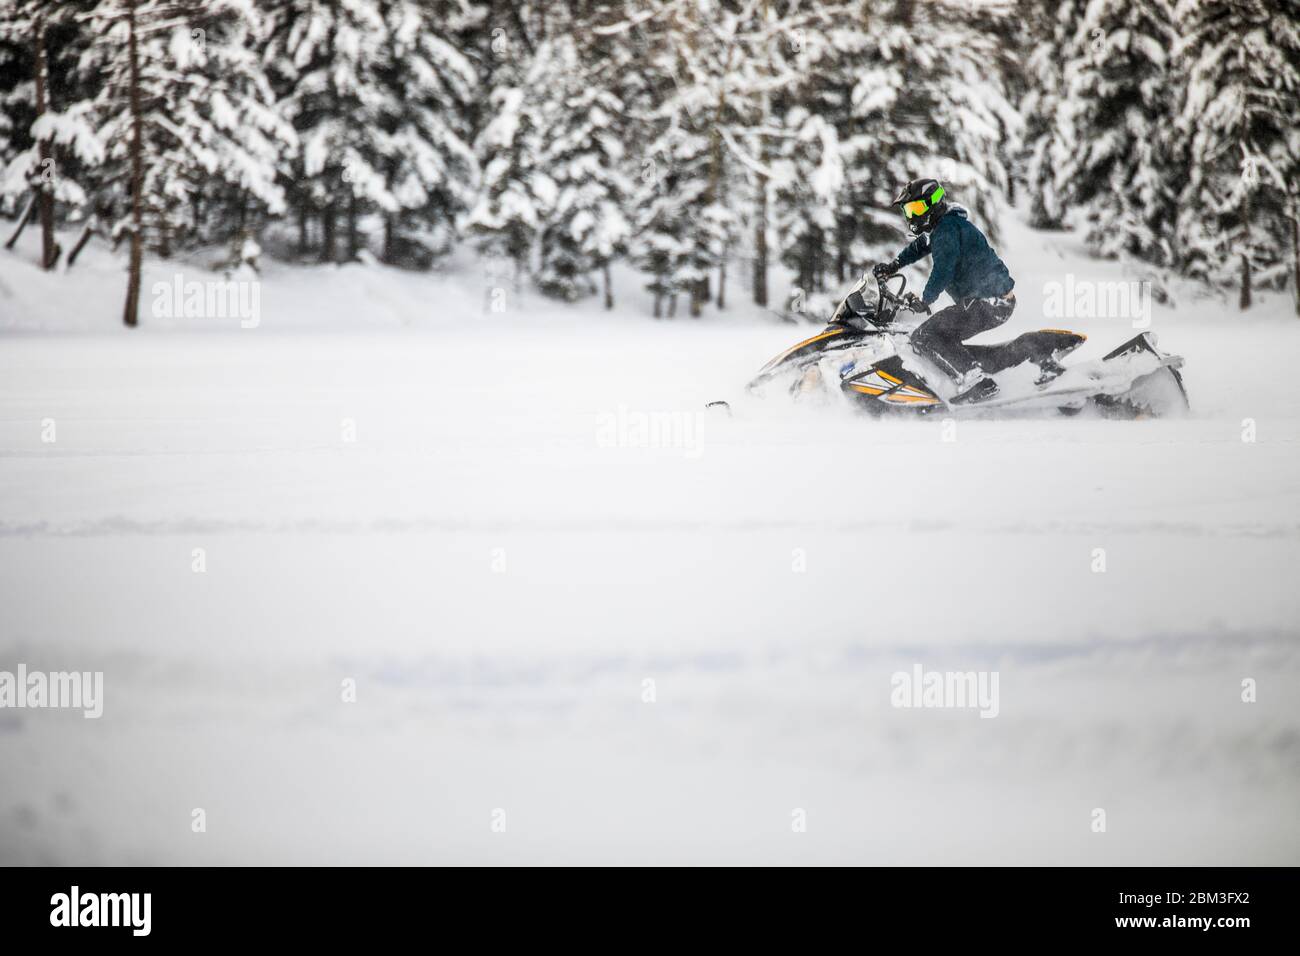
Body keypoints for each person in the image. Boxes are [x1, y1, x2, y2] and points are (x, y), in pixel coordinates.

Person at [873, 179, 1016, 404]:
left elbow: (943, 269)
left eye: (917, 208)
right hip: (988, 301)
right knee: (940, 334)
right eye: (909, 210)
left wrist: (925, 299)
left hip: (989, 302)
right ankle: (963, 376)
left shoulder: (947, 230)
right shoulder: (943, 226)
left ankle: (978, 382)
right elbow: (920, 245)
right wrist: (895, 265)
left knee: (925, 336)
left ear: (934, 204)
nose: (912, 216)